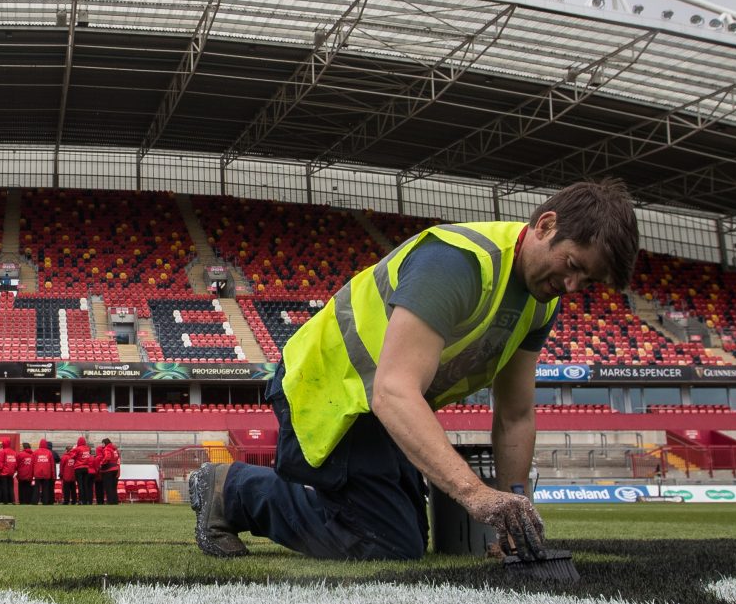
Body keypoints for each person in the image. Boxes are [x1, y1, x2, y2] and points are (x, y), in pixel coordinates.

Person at [188, 181, 637, 562]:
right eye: (573, 266)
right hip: (331, 388)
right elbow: (394, 391)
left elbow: (515, 415)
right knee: (385, 542)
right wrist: (476, 494)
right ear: (546, 226)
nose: (573, 287)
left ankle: (267, 494)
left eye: (589, 282)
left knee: (403, 533)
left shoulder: (542, 301)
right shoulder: (458, 264)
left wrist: (516, 503)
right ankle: (232, 489)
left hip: (375, 403)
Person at [94, 438, 121, 505]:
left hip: (108, 470)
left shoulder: (107, 449)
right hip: (116, 469)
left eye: (102, 443)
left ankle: (110, 501)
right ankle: (115, 501)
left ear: (104, 443)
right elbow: (118, 458)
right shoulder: (115, 449)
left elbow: (107, 457)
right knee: (114, 487)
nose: (102, 445)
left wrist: (101, 463)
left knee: (108, 487)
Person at [32, 438, 56, 504]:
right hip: (47, 473)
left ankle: (35, 501)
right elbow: (52, 465)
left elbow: (32, 463)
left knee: (36, 488)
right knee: (45, 488)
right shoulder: (49, 452)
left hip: (37, 472)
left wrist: (32, 474)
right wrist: (53, 475)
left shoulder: (35, 452)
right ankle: (45, 501)